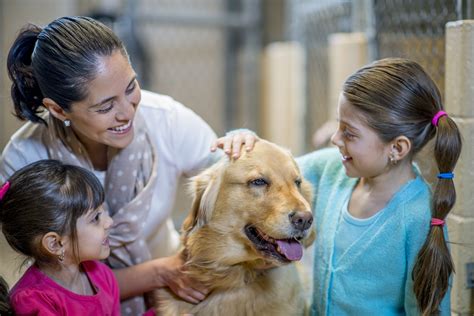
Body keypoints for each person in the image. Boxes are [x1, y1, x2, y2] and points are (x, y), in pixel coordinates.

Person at [1, 16, 255, 314]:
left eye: (131, 86)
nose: (127, 112)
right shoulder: (25, 157)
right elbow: (55, 275)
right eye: (105, 106)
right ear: (57, 109)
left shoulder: (166, 119)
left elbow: (231, 177)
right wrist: (158, 273)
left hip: (177, 279)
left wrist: (246, 146)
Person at [296, 58, 461, 315]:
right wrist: (245, 141)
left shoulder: (418, 218)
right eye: (338, 125)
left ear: (397, 148)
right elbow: (275, 173)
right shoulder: (331, 169)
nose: (334, 138)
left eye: (349, 132)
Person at [0, 160, 126, 315]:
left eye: (103, 210)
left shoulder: (102, 275)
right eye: (96, 218)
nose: (109, 222)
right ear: (55, 244)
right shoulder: (32, 301)